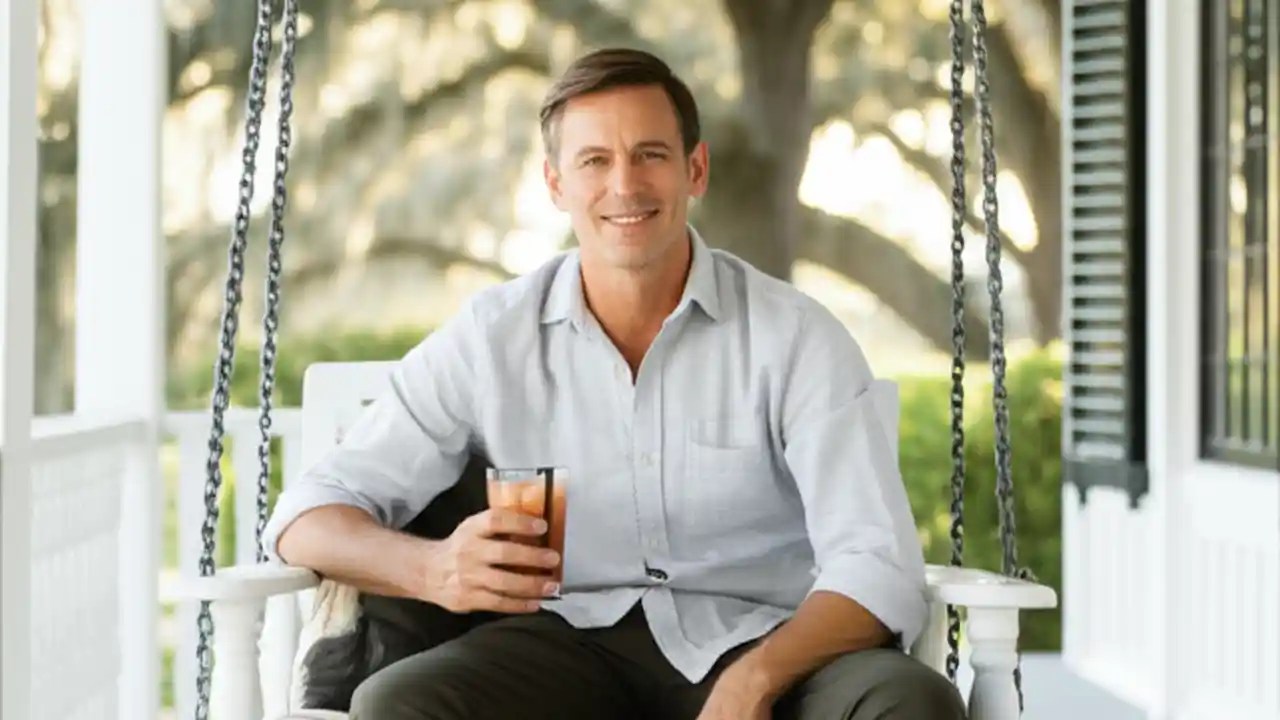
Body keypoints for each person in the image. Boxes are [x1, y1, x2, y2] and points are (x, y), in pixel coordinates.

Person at [264, 47, 966, 720]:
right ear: (556, 184)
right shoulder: (492, 337)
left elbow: (876, 562)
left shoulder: (796, 338)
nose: (624, 186)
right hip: (565, 645)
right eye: (594, 160)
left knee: (909, 703)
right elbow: (307, 517)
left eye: (650, 155)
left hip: (766, 640)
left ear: (695, 169)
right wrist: (434, 570)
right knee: (399, 704)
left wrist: (753, 681)